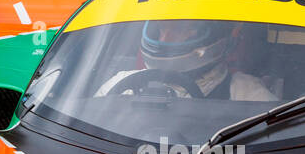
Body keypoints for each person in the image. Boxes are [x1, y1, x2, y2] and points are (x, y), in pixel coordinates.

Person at [97, 20, 276, 100]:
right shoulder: (120, 85)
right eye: (161, 29)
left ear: (215, 35)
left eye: (181, 29)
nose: (165, 40)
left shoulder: (248, 95)